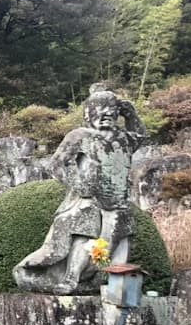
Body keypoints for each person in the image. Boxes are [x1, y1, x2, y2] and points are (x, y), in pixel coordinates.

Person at [13, 85, 145, 295]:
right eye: (100, 109)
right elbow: (55, 164)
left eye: (112, 109)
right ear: (88, 113)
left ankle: (112, 287)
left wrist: (131, 113)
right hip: (89, 200)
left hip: (117, 204)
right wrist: (78, 184)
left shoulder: (123, 139)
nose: (107, 114)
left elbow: (139, 135)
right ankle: (70, 278)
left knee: (120, 241)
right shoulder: (81, 136)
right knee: (84, 229)